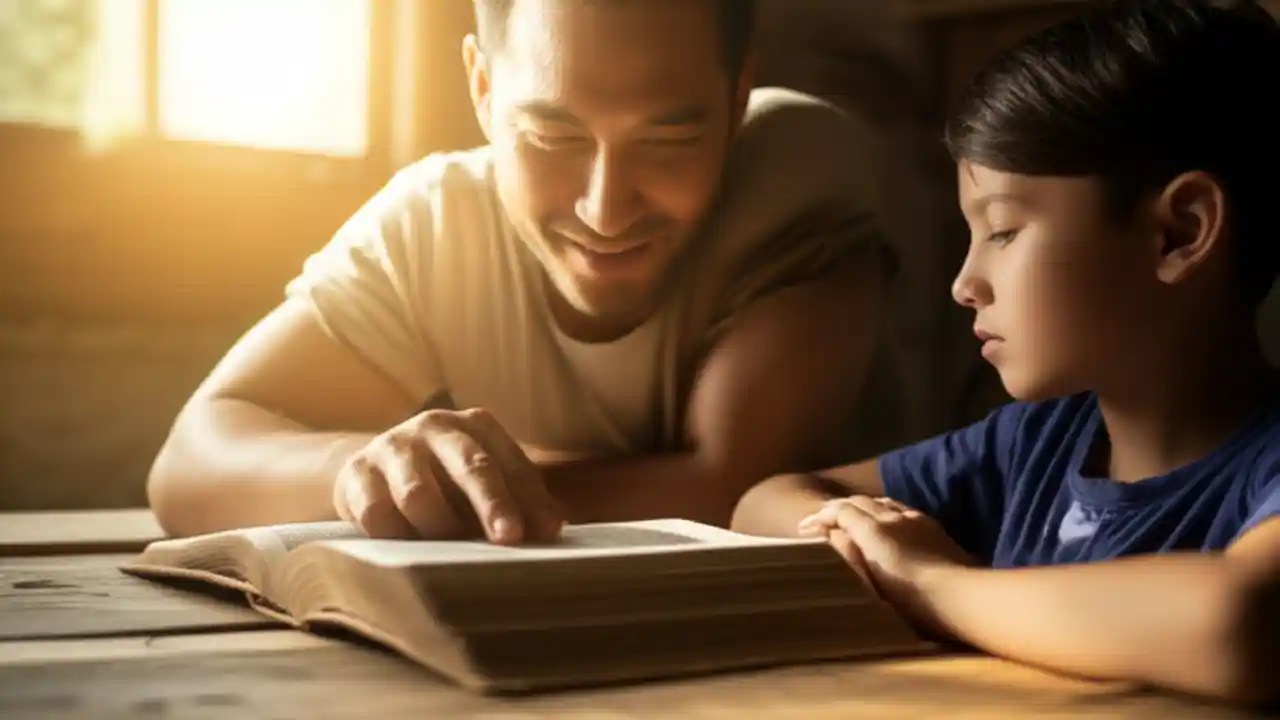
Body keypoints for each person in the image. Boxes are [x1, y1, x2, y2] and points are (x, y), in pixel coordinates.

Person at [147, 0, 904, 544]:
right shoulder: (436, 222)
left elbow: (728, 487)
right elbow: (188, 466)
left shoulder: (796, 164)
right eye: (551, 133)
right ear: (482, 88)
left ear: (737, 100)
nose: (605, 209)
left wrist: (470, 481)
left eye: (668, 141)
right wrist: (364, 465)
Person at [732, 0, 1280, 706]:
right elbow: (763, 502)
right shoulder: (1033, 447)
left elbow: (1238, 628)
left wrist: (934, 584)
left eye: (1003, 230)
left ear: (1178, 232)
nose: (964, 285)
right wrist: (880, 540)